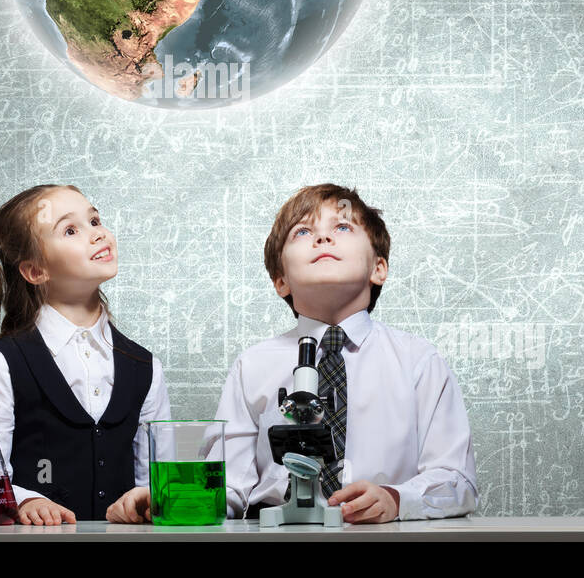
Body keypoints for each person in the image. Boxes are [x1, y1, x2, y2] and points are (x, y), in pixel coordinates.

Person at [141, 183, 476, 524]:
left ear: (379, 268)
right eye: (302, 231)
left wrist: (396, 499)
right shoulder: (252, 366)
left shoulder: (418, 362)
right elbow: (229, 487)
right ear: (280, 280)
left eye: (342, 227)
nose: (323, 239)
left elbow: (457, 480)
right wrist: (167, 499)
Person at [0, 184, 170, 525]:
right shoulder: (0, 362)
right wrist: (24, 501)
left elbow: (155, 479)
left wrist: (148, 499)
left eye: (95, 220)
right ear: (35, 271)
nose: (96, 234)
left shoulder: (146, 367)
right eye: (71, 230)